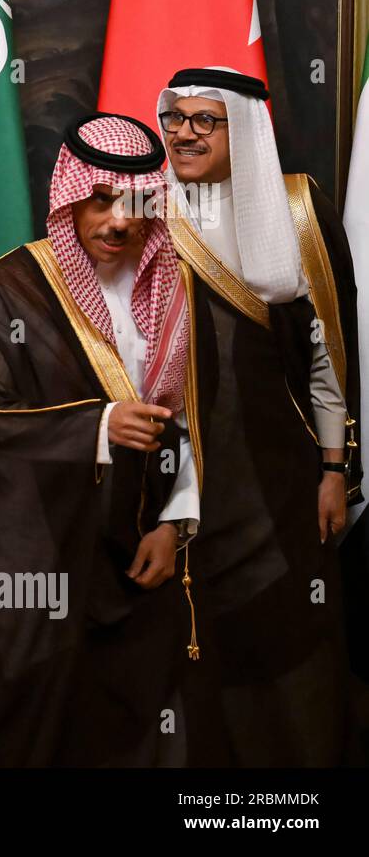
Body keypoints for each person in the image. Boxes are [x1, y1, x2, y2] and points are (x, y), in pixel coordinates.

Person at [0, 114, 202, 766]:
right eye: (100, 200)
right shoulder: (14, 286)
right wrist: (99, 427)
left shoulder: (176, 291)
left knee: (128, 719)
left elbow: (190, 420)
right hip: (29, 550)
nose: (117, 222)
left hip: (132, 546)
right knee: (10, 724)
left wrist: (175, 524)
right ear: (71, 198)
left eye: (134, 204)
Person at [157, 67, 358, 765]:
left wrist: (335, 470)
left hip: (284, 479)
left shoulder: (300, 212)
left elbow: (329, 359)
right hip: (187, 484)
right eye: (175, 118)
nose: (184, 132)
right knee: (200, 648)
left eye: (203, 121)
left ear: (241, 128)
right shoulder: (151, 215)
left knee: (294, 642)